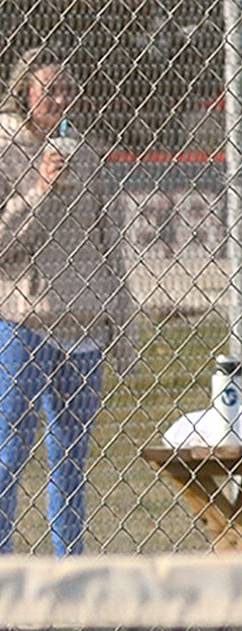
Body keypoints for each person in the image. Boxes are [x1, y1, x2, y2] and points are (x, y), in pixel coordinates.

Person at [0, 49, 135, 555]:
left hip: (86, 328)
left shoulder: (89, 154)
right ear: (23, 93)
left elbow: (110, 245)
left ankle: (69, 574)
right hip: (24, 324)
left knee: (72, 462)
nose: (61, 99)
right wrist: (39, 188)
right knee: (10, 455)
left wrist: (124, 329)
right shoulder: (4, 149)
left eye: (67, 89)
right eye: (49, 89)